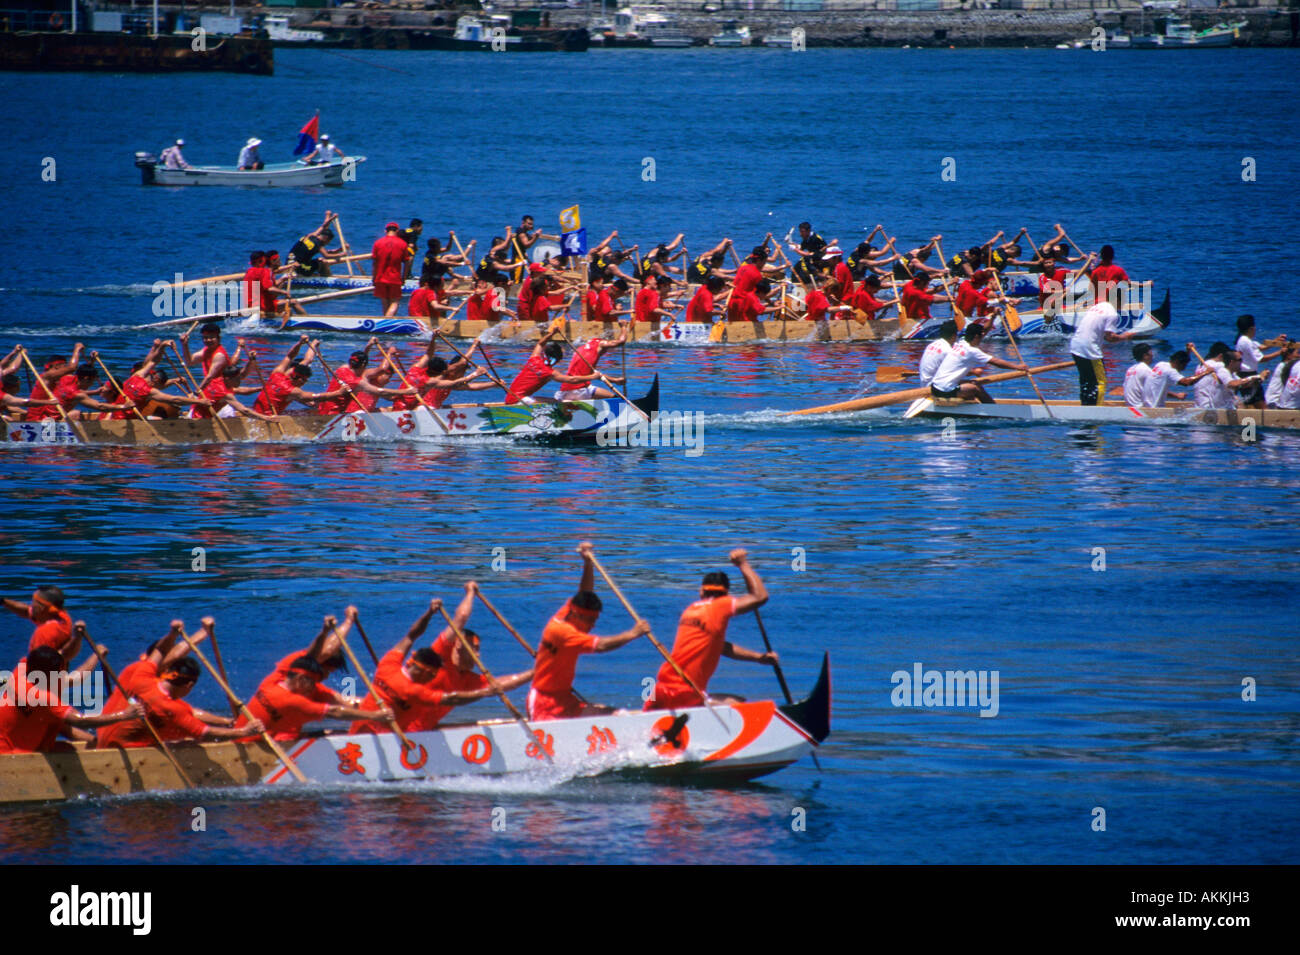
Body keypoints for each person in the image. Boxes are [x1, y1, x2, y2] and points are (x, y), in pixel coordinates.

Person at [351, 594, 532, 735]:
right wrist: (469, 593)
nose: (478, 655)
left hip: (423, 734)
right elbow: (460, 619)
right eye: (475, 649)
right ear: (460, 645)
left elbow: (500, 684)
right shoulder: (439, 656)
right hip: (404, 734)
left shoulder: (468, 680)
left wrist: (534, 672)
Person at [528, 542, 649, 720]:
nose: (592, 626)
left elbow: (585, 591)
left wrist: (587, 563)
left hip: (565, 698)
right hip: (543, 701)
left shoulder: (568, 611)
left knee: (617, 715)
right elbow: (601, 646)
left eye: (595, 621)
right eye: (590, 621)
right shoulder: (563, 632)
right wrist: (633, 633)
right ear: (576, 614)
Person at [645, 548, 777, 711]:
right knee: (738, 704)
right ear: (726, 594)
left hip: (661, 688)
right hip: (685, 692)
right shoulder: (720, 605)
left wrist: (758, 658)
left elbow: (721, 647)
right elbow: (760, 596)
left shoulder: (690, 609)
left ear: (701, 592)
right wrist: (743, 564)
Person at [0, 647, 144, 754]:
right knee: (69, 746)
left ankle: (98, 744)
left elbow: (75, 677)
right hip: (11, 754)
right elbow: (80, 721)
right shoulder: (42, 698)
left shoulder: (22, 669)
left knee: (69, 741)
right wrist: (124, 715)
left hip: (20, 739)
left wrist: (96, 655)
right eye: (61, 672)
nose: (64, 675)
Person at [95, 656, 260, 748]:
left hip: (104, 740)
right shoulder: (170, 707)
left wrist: (228, 722)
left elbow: (192, 713)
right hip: (125, 751)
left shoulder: (144, 678)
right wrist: (244, 732)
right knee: (190, 744)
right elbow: (205, 733)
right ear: (189, 684)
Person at [239, 650, 384, 741]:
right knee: (337, 734)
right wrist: (375, 716)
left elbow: (343, 701)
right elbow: (335, 711)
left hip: (244, 736)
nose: (315, 687)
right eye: (313, 683)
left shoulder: (271, 681)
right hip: (266, 744)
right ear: (301, 679)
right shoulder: (294, 701)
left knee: (334, 731)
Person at [929, 322, 1027, 404]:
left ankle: (975, 405)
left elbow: (982, 332)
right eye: (981, 337)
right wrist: (1017, 367)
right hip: (944, 390)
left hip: (935, 386)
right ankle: (994, 409)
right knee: (976, 388)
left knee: (973, 383)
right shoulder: (972, 351)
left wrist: (993, 318)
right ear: (976, 336)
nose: (982, 339)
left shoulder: (960, 343)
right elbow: (995, 362)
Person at [251, 337, 346, 416]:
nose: (304, 383)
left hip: (255, 411)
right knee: (312, 404)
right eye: (305, 381)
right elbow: (316, 397)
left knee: (310, 405)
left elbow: (290, 356)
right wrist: (339, 392)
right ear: (301, 379)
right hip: (267, 417)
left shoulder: (277, 373)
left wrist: (301, 343)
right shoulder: (293, 391)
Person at [1068, 301, 1138, 406]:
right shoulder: (1112, 314)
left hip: (1075, 346)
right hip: (1089, 349)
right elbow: (1110, 337)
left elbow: (1103, 334)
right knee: (1100, 382)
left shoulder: (1098, 306)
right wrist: (1125, 336)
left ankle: (1086, 405)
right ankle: (1096, 409)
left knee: (1086, 381)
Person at [503, 329, 600, 403]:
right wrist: (592, 377)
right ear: (556, 359)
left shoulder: (534, 359)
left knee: (552, 400)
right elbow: (572, 380)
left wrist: (552, 333)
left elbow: (540, 343)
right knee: (556, 403)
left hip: (510, 397)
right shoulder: (549, 372)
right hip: (519, 400)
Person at [390, 350, 492, 411]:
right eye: (463, 371)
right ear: (456, 370)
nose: (463, 374)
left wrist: (493, 385)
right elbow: (463, 361)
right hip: (424, 408)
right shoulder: (443, 376)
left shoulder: (454, 380)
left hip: (432, 409)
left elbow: (471, 387)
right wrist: (474, 346)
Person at [557, 324, 628, 400]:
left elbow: (595, 374)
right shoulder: (600, 344)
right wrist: (623, 326)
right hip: (578, 389)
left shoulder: (583, 349)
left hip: (567, 388)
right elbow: (621, 342)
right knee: (616, 399)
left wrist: (615, 380)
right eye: (606, 349)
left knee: (610, 397)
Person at [1233, 314, 1286, 409]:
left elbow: (1262, 347)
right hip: (1248, 375)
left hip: (1244, 374)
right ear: (1251, 328)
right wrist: (1280, 352)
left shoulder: (1244, 339)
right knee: (1260, 404)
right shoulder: (1246, 341)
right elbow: (1262, 359)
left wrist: (1276, 341)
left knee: (1252, 402)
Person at [1192, 343, 1264, 410]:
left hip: (1199, 405)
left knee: (1236, 398)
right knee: (1236, 399)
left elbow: (1239, 383)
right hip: (1208, 408)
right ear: (1221, 356)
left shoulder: (1200, 366)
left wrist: (1254, 380)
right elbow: (1232, 383)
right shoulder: (1219, 366)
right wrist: (1255, 377)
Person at [1142, 347, 1210, 408]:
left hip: (1146, 405)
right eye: (1184, 365)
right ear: (1178, 363)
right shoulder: (1170, 371)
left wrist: (1188, 352)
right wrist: (1205, 372)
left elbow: (1159, 388)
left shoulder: (1160, 364)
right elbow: (1187, 382)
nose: (1184, 369)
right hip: (1154, 407)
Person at [372, 222, 412, 317]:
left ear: (385, 231)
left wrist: (374, 278)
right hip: (395, 277)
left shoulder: (378, 243)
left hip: (380, 277)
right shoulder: (402, 244)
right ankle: (387, 321)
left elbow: (375, 263)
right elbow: (407, 262)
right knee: (395, 302)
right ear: (397, 231)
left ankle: (385, 322)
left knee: (385, 302)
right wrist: (404, 278)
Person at [290, 212, 345, 277]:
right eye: (328, 241)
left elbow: (323, 226)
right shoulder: (318, 244)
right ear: (326, 238)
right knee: (322, 262)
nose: (327, 243)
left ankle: (317, 276)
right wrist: (342, 254)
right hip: (298, 267)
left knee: (317, 261)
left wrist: (330, 217)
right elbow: (327, 255)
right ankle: (327, 279)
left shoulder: (310, 236)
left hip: (289, 263)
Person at [180, 322, 231, 389]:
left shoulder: (219, 355)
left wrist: (197, 393)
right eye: (205, 338)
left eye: (212, 337)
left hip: (221, 390)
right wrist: (185, 345)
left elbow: (209, 378)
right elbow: (189, 362)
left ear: (219, 338)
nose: (208, 340)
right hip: (211, 388)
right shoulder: (206, 350)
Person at [918, 320, 959, 387]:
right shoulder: (948, 350)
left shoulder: (931, 345)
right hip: (934, 387)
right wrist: (972, 372)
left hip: (924, 384)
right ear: (954, 335)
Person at [1088, 245, 1129, 311]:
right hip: (1111, 306)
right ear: (1112, 257)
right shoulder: (1118, 270)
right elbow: (1127, 284)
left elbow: (1090, 289)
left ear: (1101, 257)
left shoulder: (1095, 272)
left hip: (1098, 305)